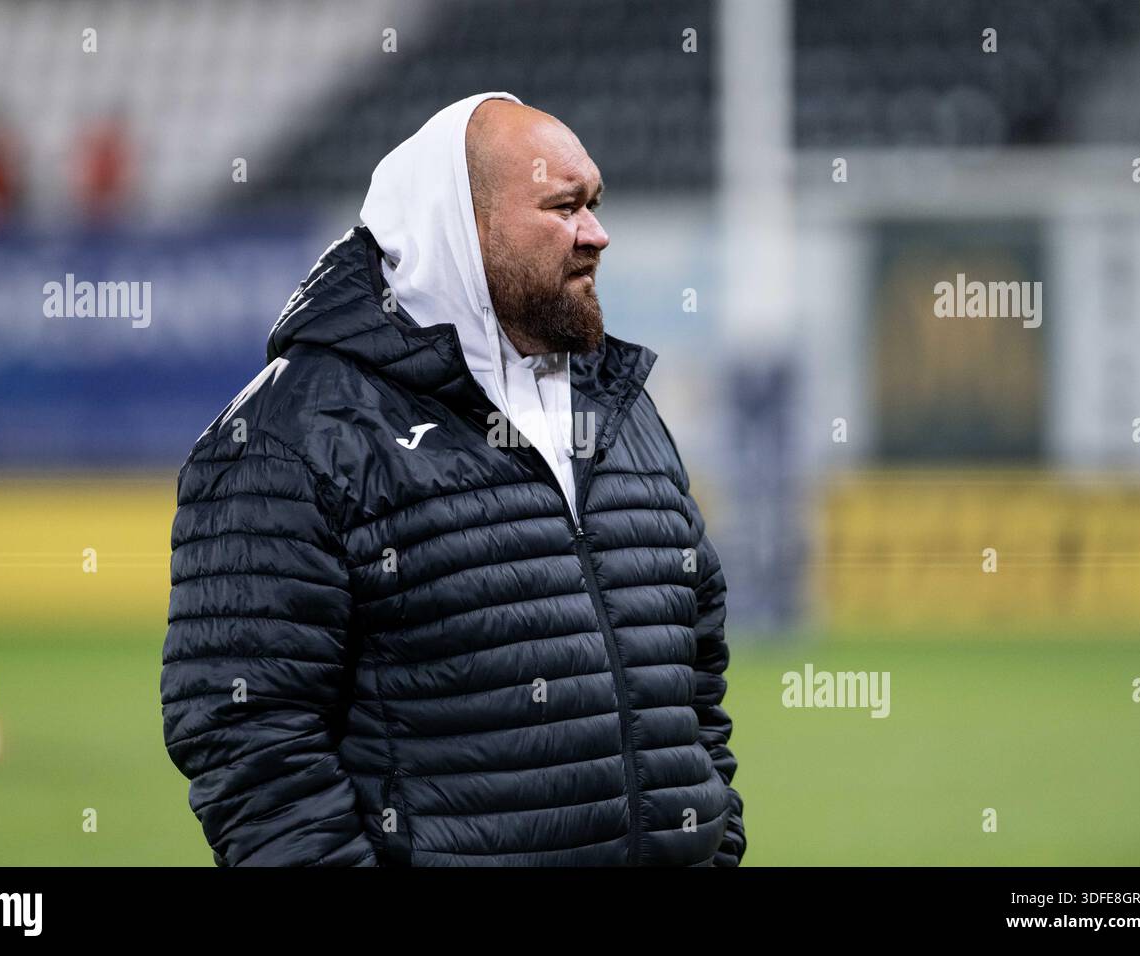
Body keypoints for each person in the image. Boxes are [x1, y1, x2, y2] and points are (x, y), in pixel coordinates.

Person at [160, 91, 746, 866]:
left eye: (596, 205)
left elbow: (695, 677)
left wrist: (715, 841)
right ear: (466, 229)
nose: (598, 234)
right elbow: (248, 736)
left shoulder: (623, 406)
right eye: (565, 207)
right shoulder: (290, 434)